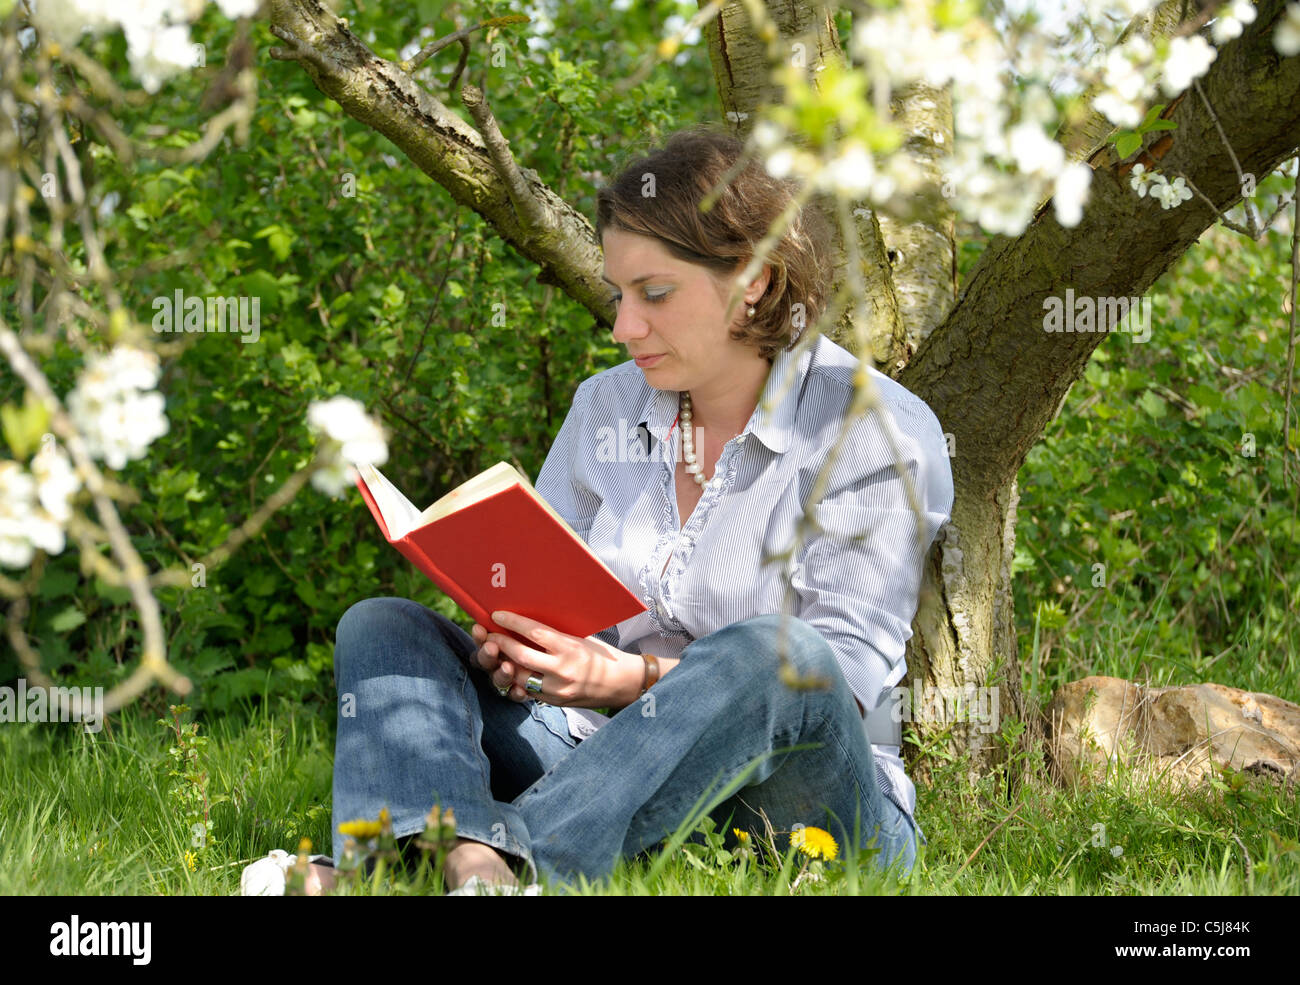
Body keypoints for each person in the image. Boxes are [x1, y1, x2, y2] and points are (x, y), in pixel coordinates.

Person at [326, 124, 954, 895]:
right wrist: (524, 649)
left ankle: (509, 859)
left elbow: (838, 685)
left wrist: (619, 677)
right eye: (621, 295)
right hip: (603, 761)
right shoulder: (607, 405)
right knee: (384, 626)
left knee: (780, 653)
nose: (624, 327)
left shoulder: (871, 429)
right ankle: (461, 862)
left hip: (803, 804)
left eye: (655, 295)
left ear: (753, 278)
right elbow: (558, 600)